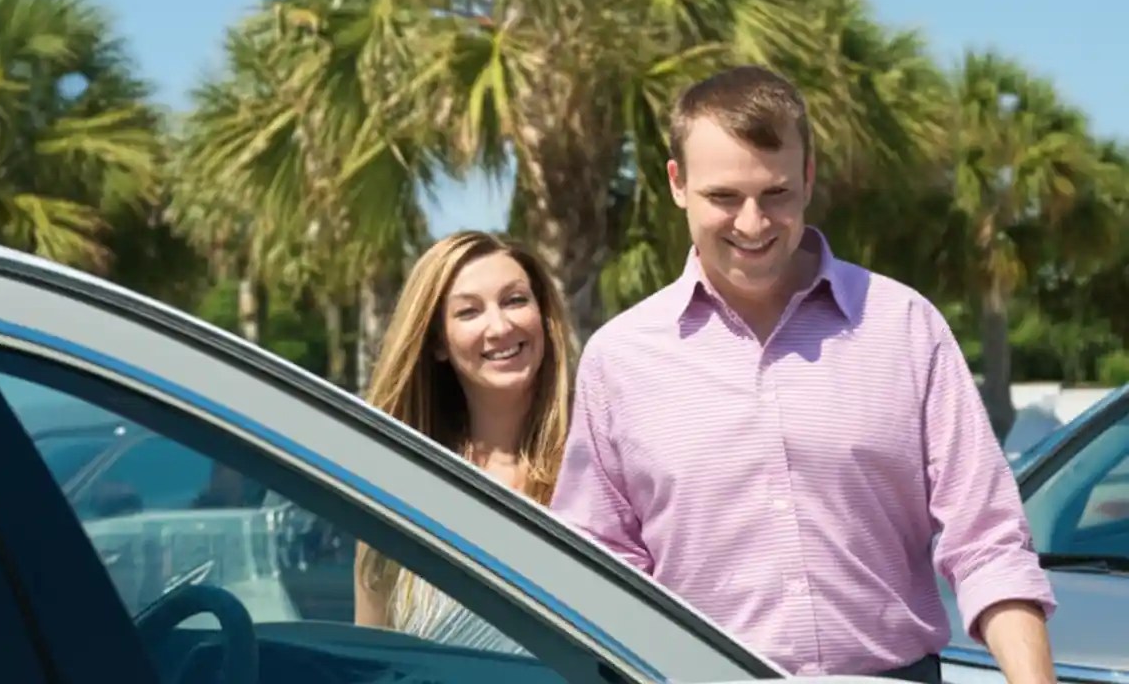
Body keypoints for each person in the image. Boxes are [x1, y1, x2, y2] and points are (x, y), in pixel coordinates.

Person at [548, 65, 1057, 684]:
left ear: (809, 178)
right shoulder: (619, 359)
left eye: (777, 194)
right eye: (724, 198)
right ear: (678, 184)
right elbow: (598, 571)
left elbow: (987, 541)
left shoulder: (904, 327)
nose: (753, 224)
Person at [353, 230, 573, 653]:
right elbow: (375, 658)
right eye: (469, 312)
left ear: (543, 316)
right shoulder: (398, 488)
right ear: (437, 341)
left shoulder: (597, 461)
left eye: (515, 300)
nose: (500, 325)